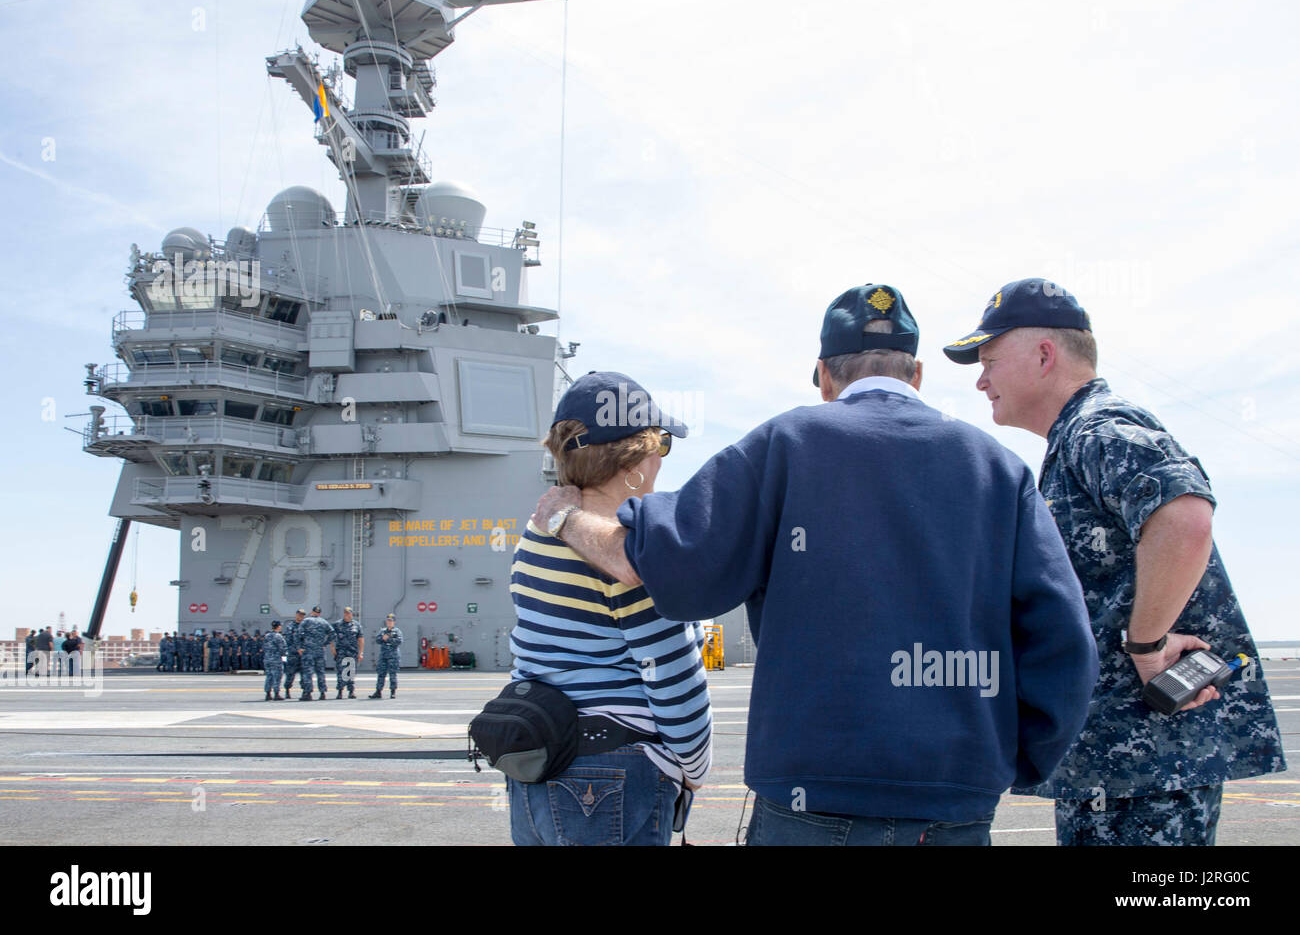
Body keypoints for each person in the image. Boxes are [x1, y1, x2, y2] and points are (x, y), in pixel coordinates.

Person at [533, 286, 1099, 846]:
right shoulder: (1002, 471)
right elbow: (1065, 643)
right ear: (917, 374)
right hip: (955, 795)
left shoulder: (784, 444)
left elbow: (669, 565)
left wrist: (565, 517)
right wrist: (1011, 759)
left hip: (811, 796)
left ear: (825, 375)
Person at [944, 277, 1287, 845]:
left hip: (1147, 764)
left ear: (1044, 355)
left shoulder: (1097, 428)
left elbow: (1184, 516)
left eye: (989, 360)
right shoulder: (1076, 438)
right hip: (1120, 762)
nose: (981, 381)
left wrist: (1147, 646)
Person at [509, 371, 713, 846]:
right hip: (611, 776)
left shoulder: (537, 534)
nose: (662, 459)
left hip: (536, 763)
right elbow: (672, 676)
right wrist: (696, 768)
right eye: (660, 444)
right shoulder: (628, 553)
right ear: (635, 459)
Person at [297, 607, 335, 701]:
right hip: (320, 651)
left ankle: (308, 693)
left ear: (312, 612)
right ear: (319, 613)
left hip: (308, 651)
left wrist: (300, 647)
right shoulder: (324, 622)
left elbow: (299, 635)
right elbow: (333, 634)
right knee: (321, 672)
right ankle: (322, 693)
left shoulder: (306, 621)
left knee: (308, 673)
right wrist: (325, 643)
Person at [331, 607, 364, 699]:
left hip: (352, 652)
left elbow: (361, 639)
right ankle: (340, 691)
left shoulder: (357, 625)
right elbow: (331, 636)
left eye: (349, 613)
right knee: (340, 671)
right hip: (341, 652)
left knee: (351, 672)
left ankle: (351, 691)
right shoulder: (337, 624)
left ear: (351, 614)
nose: (347, 615)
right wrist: (332, 648)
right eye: (345, 613)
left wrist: (361, 653)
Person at [370, 616, 402, 699]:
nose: (389, 622)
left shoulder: (397, 631)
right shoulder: (382, 631)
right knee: (381, 674)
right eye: (388, 621)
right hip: (383, 656)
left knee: (392, 674)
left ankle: (393, 692)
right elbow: (377, 640)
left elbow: (399, 641)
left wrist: (388, 639)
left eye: (391, 621)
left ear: (394, 622)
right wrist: (382, 638)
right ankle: (378, 691)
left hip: (393, 656)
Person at [263, 621, 288, 700]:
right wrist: (285, 657)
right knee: (277, 676)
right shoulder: (278, 636)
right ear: (279, 627)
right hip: (276, 659)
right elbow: (283, 649)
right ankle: (276, 693)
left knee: (269, 676)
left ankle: (268, 694)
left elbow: (264, 647)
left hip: (267, 659)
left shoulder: (267, 636)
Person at [283, 610, 305, 698]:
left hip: (303, 655)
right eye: (299, 615)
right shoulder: (290, 626)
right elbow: (288, 641)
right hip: (293, 655)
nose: (301, 616)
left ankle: (305, 691)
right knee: (290, 674)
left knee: (305, 674)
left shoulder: (306, 626)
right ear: (296, 615)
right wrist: (297, 649)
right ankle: (287, 690)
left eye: (302, 615)